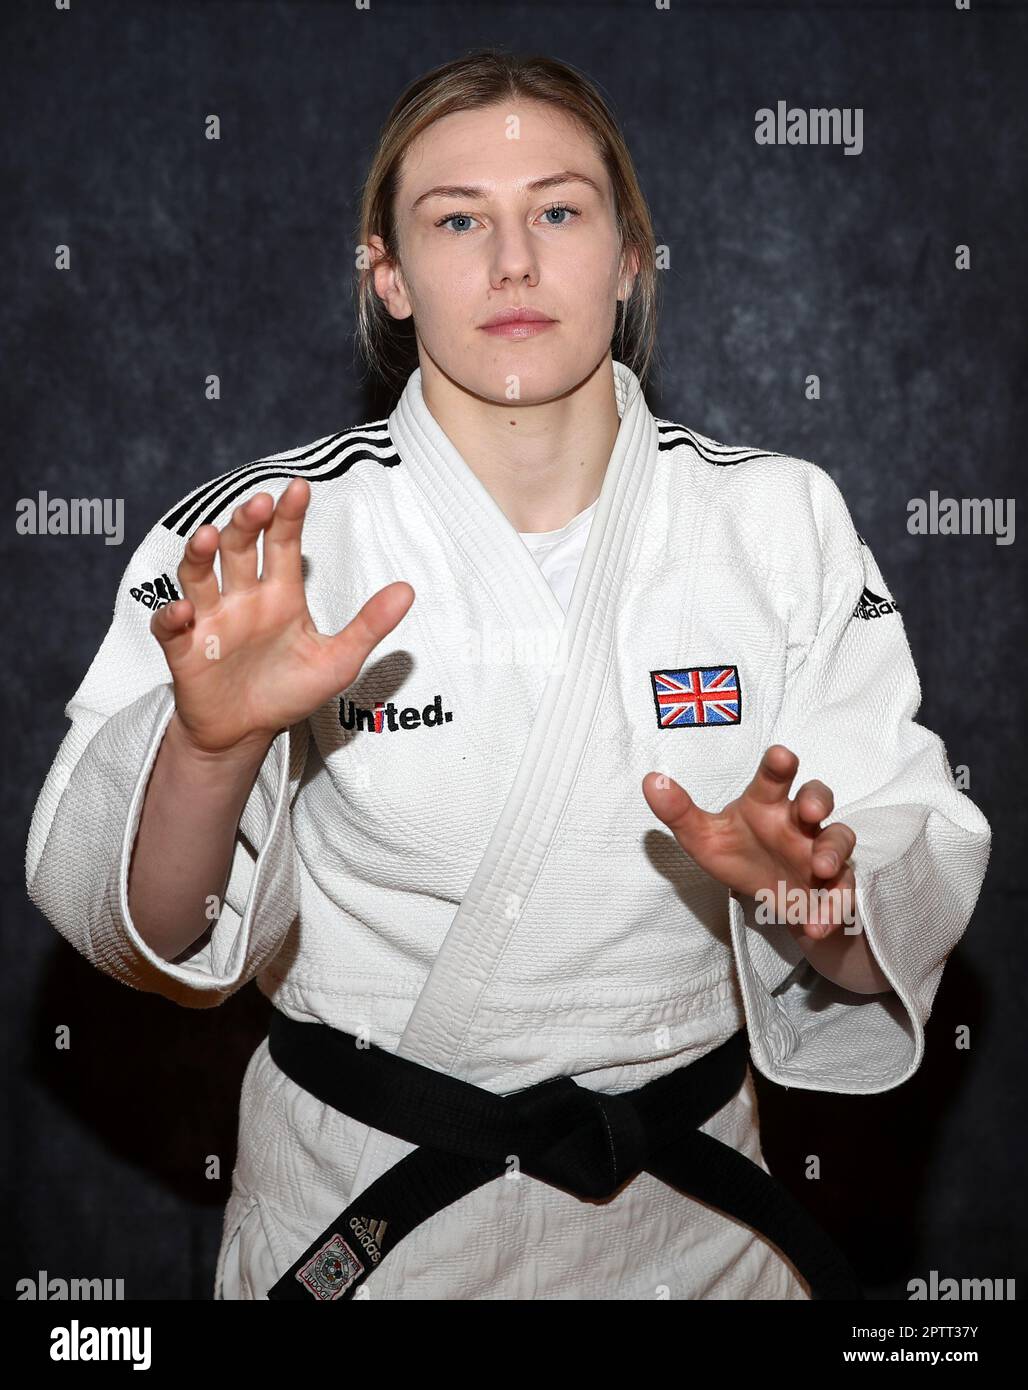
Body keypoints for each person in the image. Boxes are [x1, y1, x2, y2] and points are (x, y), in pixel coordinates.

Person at [25, 48, 991, 1301]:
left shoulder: (775, 521)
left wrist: (811, 900)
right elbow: (146, 938)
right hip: (371, 1225)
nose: (513, 260)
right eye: (456, 219)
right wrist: (210, 749)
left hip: (691, 1240)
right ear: (389, 276)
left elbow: (878, 922)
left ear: (628, 257)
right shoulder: (267, 537)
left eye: (557, 210)